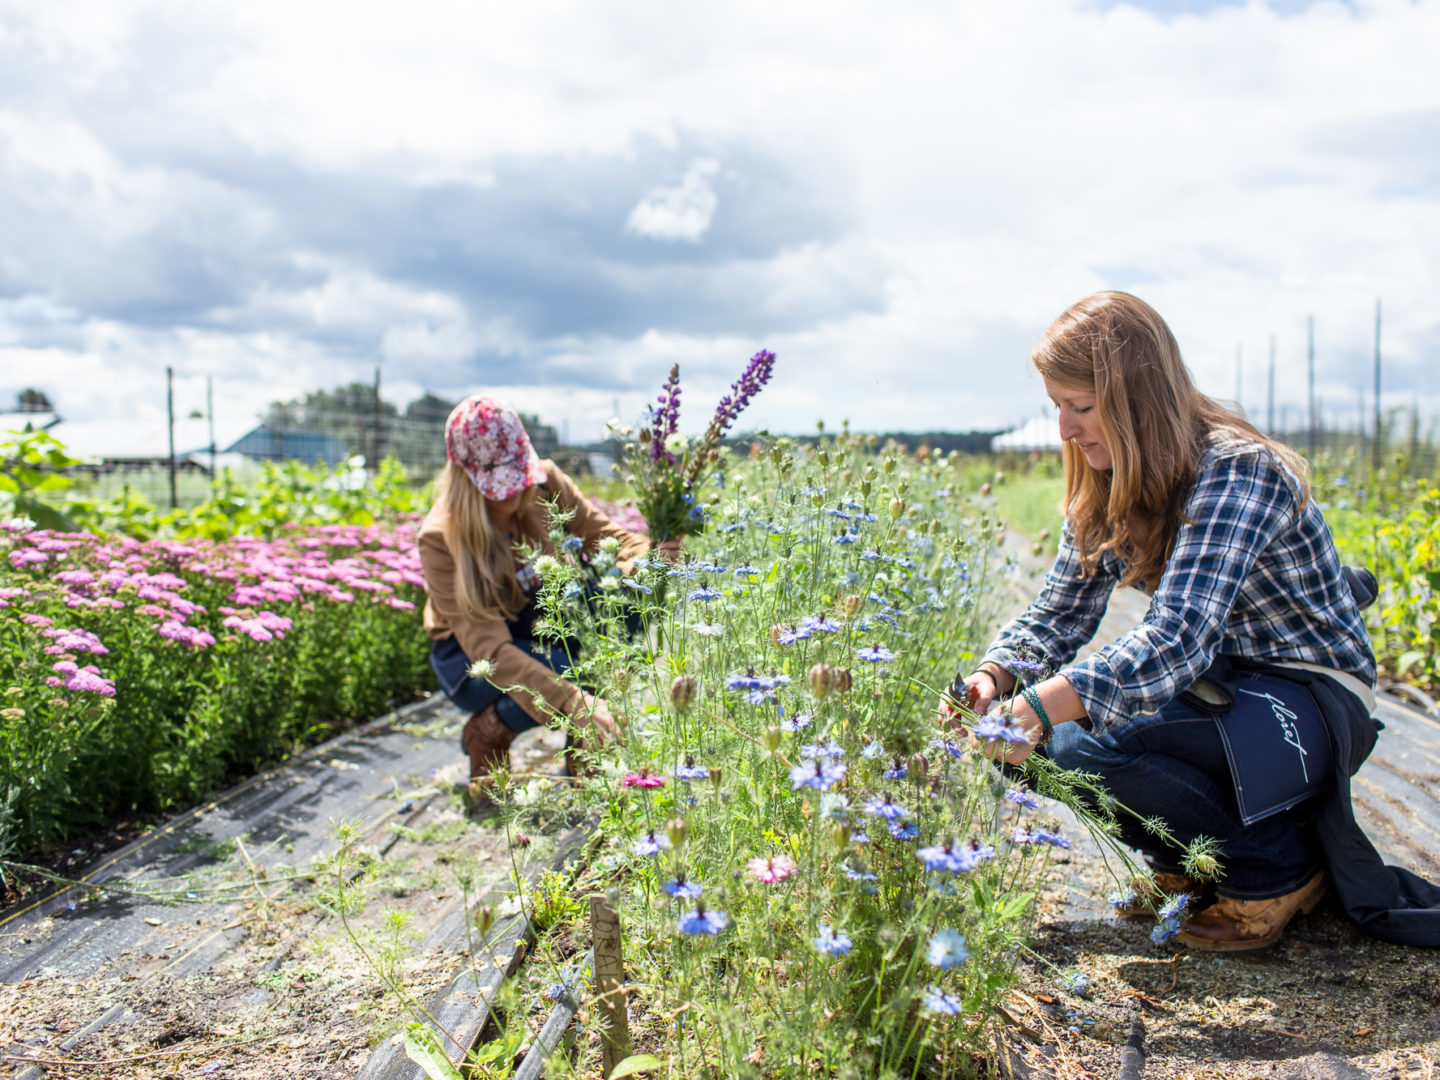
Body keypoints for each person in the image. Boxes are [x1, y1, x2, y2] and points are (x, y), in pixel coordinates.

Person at [942, 291, 1440, 951]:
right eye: (1056, 405)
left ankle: (1278, 869)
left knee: (1090, 739)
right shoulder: (1107, 482)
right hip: (1222, 683)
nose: (1065, 428)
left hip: (1311, 692)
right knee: (1030, 739)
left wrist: (1043, 704)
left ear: (1136, 402)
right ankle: (1191, 860)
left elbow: (1176, 640)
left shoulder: (1237, 470)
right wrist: (996, 677)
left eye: (1082, 407)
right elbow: (1058, 614)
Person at [420, 395, 674, 783]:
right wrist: (575, 702)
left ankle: (585, 747)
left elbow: (609, 537)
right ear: (466, 477)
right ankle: (490, 730)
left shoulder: (546, 481)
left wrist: (644, 563)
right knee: (572, 672)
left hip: (539, 617)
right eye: (496, 484)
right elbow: (490, 650)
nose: (512, 492)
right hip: (472, 653)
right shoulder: (441, 537)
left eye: (515, 476)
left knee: (623, 619)